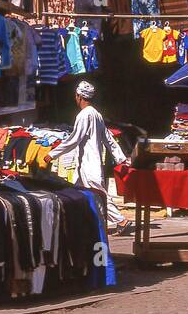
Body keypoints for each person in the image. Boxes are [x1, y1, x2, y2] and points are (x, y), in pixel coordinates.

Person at [47, 81, 129, 235]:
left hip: (89, 164)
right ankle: (82, 222)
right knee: (77, 192)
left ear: (79, 96)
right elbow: (108, 138)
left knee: (98, 193)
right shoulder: (96, 114)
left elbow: (74, 139)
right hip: (87, 164)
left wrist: (52, 154)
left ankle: (121, 220)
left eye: (76, 96)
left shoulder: (84, 115)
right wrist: (120, 157)